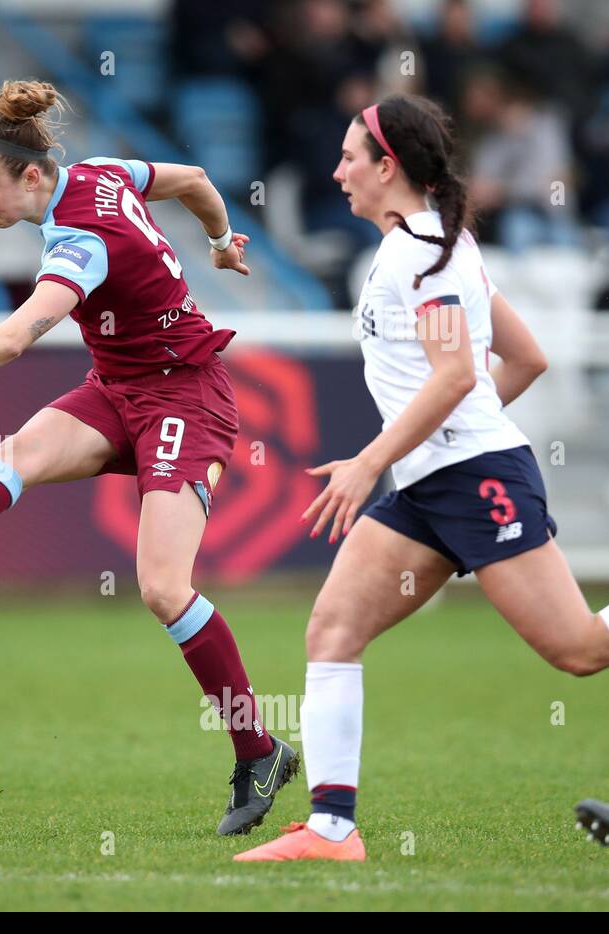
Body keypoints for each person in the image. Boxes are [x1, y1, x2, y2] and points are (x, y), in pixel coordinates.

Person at [0, 79, 297, 837]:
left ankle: (260, 750)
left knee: (161, 588)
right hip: (118, 387)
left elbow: (15, 338)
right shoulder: (105, 172)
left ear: (31, 177)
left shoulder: (80, 239)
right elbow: (196, 182)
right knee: (20, 453)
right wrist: (218, 243)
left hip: (185, 397)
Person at [236, 94, 607, 864]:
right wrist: (437, 442)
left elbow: (451, 378)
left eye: (349, 158)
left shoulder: (421, 252)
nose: (337, 171)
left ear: (388, 166)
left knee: (578, 651)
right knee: (332, 631)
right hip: (438, 480)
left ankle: (332, 830)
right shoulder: (436, 243)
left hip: (474, 481)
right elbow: (524, 359)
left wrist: (381, 457)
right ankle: (333, 831)